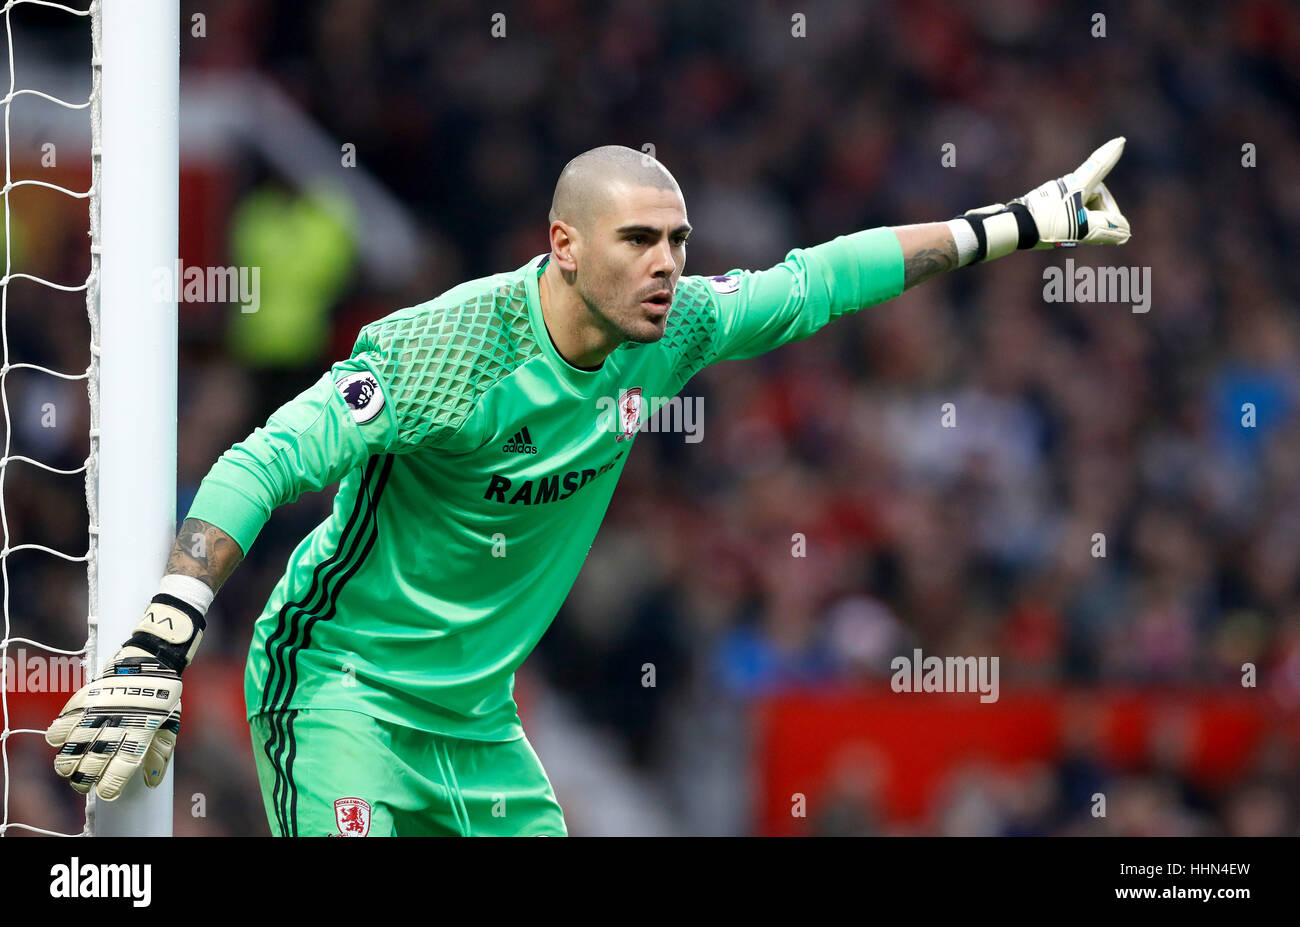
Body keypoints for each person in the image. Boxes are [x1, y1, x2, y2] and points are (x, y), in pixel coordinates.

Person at [45, 140, 1131, 836]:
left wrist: (1023, 222)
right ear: (563, 246)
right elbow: (263, 459)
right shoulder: (449, 350)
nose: (668, 265)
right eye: (639, 241)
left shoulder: (674, 332)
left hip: (478, 720)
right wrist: (161, 639)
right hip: (341, 691)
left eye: (678, 242)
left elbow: (820, 280)